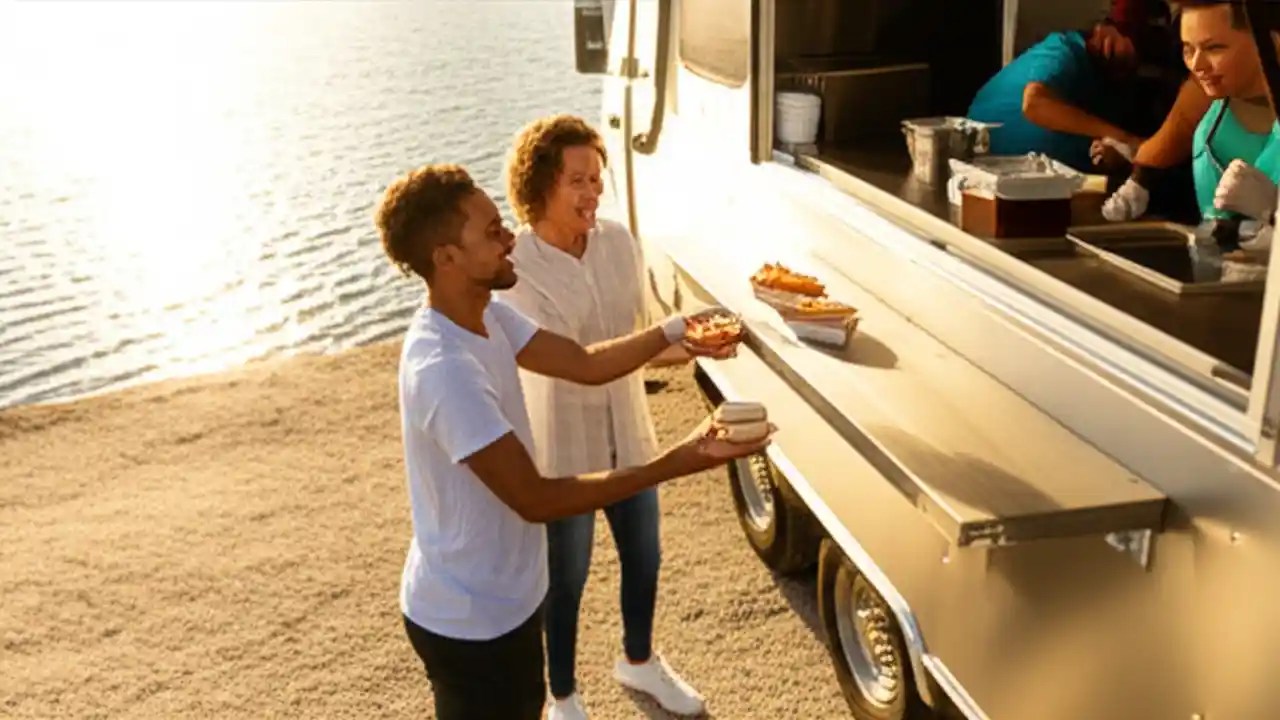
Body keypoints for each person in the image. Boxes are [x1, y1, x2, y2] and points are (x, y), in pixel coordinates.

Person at [374, 163, 771, 720]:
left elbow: (584, 364)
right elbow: (535, 499)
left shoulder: (489, 317)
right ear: (446, 258)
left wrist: (680, 329)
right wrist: (679, 460)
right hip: (467, 621)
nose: (510, 235)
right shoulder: (444, 368)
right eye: (491, 231)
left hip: (510, 601)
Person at [495, 115, 702, 719]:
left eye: (597, 178)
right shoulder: (517, 270)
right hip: (563, 450)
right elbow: (574, 362)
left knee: (646, 558)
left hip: (629, 434)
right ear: (539, 186)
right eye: (576, 181)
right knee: (566, 580)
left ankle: (638, 662)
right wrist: (666, 335)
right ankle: (562, 698)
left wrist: (699, 344)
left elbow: (639, 342)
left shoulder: (618, 241)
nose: (592, 193)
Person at [967, 24, 1144, 172]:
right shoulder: (1063, 49)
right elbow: (1034, 104)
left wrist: (1114, 151)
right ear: (1102, 28)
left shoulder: (1108, 92)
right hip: (989, 170)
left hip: (1055, 185)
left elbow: (1103, 149)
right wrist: (1124, 138)